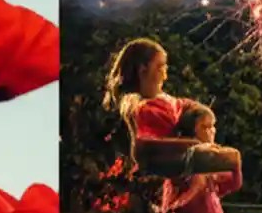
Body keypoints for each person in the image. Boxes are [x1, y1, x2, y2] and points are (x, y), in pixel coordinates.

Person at [102, 38, 239, 177]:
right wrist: (193, 144)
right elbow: (146, 147)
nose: (165, 76)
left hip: (184, 157)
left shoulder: (164, 99)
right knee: (229, 161)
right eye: (159, 67)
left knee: (232, 159)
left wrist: (201, 118)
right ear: (143, 70)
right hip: (165, 165)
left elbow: (185, 105)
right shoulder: (139, 107)